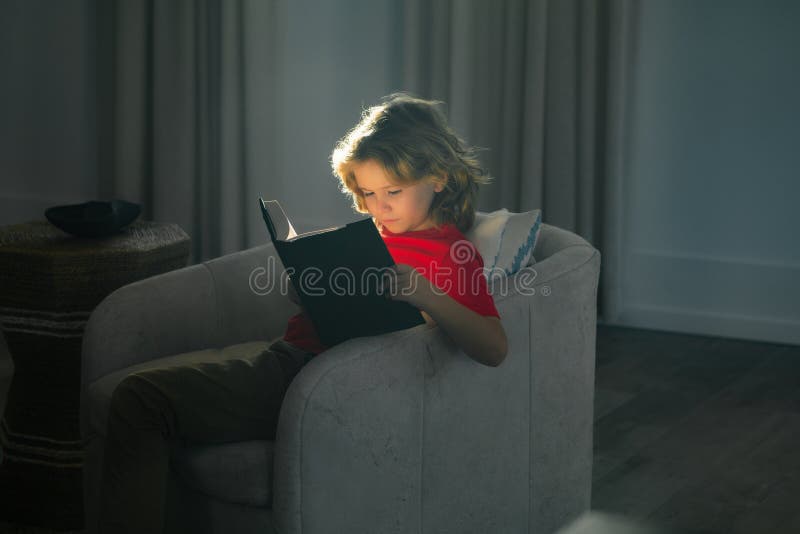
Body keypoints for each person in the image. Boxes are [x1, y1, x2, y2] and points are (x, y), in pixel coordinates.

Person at [97, 93, 507, 533]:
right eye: (367, 193)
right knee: (142, 398)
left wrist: (429, 296)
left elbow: (494, 347)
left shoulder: (451, 252)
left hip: (310, 379)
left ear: (439, 178)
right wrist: (311, 290)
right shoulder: (372, 236)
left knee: (139, 400)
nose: (378, 208)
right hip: (290, 362)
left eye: (393, 192)